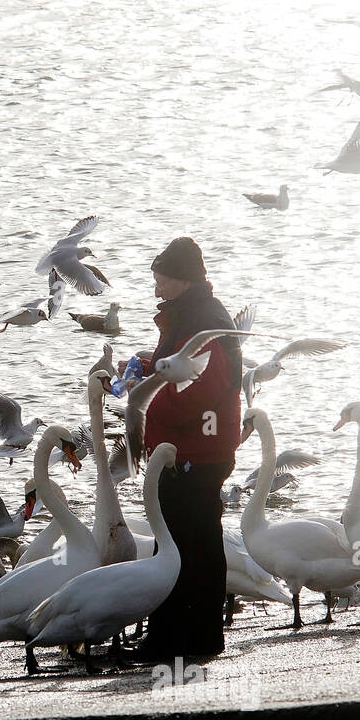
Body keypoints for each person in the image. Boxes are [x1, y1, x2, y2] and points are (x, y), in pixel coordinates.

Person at [125, 237, 241, 660]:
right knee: (192, 541)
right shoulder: (189, 318)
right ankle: (194, 635)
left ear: (184, 280)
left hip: (196, 450)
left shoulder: (200, 325)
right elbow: (182, 376)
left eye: (162, 281)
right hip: (198, 447)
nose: (156, 290)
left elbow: (198, 392)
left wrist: (147, 397)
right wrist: (143, 371)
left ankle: (176, 640)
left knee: (180, 543)